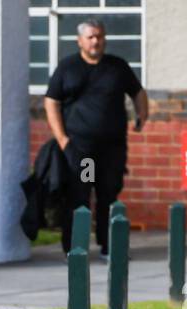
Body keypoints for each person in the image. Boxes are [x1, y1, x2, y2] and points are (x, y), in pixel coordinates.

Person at [44, 19, 148, 257]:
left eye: (99, 36)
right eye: (90, 37)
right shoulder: (68, 67)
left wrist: (142, 115)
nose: (95, 41)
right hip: (82, 149)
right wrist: (62, 139)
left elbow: (138, 92)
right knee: (81, 193)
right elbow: (51, 101)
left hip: (111, 148)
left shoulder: (117, 67)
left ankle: (108, 246)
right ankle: (75, 247)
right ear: (79, 41)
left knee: (108, 194)